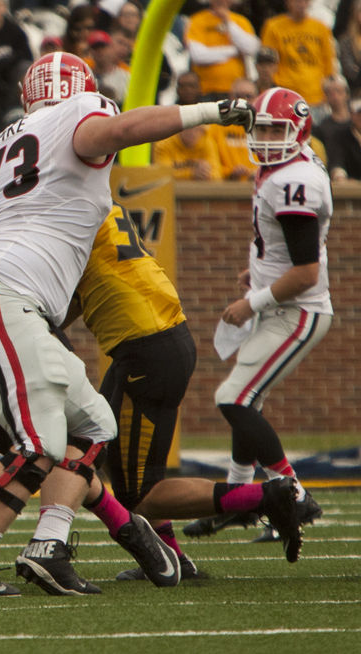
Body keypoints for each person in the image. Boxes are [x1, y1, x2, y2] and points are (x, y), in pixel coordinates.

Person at [0, 52, 301, 594]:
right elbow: (127, 127)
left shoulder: (2, 143)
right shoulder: (79, 115)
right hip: (2, 294)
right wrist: (210, 111)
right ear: (81, 92)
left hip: (14, 301)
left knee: (94, 426)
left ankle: (50, 546)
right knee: (40, 441)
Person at [67, 206, 306, 580]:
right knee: (111, 456)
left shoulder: (69, 212)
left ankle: (266, 497)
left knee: (138, 492)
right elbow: (82, 291)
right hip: (158, 338)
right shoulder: (100, 206)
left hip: (144, 349)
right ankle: (174, 557)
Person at [183, 87, 329, 543]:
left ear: (299, 130)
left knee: (234, 399)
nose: (265, 137)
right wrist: (260, 271)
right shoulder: (283, 170)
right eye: (260, 128)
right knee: (247, 400)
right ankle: (240, 499)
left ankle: (296, 494)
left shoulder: (294, 180)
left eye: (275, 129)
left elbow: (306, 272)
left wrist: (255, 300)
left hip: (296, 311)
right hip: (282, 304)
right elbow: (291, 250)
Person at [260, 0, 336, 107]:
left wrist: (329, 92)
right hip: (285, 95)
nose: (301, 4)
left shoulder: (321, 28)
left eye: (305, 1)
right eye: (297, 1)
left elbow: (329, 62)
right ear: (287, 2)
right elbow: (267, 63)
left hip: (316, 96)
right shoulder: (273, 26)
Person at [184, 0, 259, 100]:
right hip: (206, 91)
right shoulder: (196, 20)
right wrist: (234, 51)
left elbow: (251, 49)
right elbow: (198, 56)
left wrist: (228, 22)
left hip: (236, 92)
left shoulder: (241, 21)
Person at [212, 77, 259, 181]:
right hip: (226, 188)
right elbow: (211, 165)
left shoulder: (264, 127)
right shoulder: (215, 127)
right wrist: (229, 173)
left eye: (248, 96)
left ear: (257, 98)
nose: (243, 101)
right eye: (238, 96)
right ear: (230, 98)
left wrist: (258, 173)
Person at [153, 124, 223, 180]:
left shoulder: (208, 143)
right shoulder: (164, 144)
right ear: (180, 129)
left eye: (197, 129)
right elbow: (162, 174)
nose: (192, 133)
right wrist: (191, 174)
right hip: (170, 192)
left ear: (202, 131)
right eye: (189, 128)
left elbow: (217, 175)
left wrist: (207, 174)